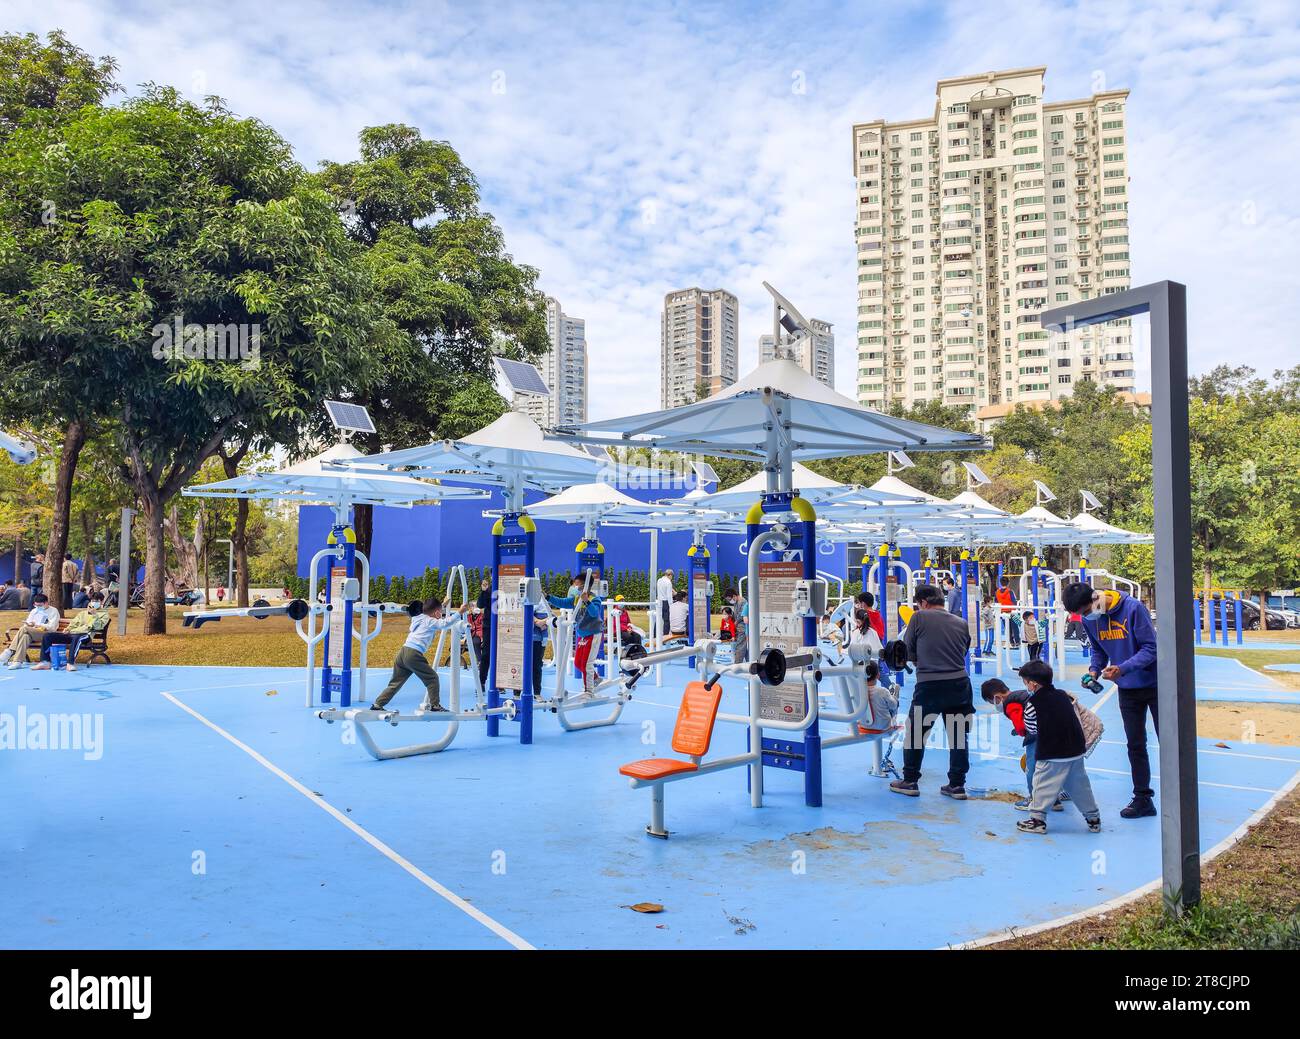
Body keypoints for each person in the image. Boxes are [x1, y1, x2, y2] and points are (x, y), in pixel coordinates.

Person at [1063, 580, 1159, 819]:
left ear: (1096, 598)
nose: (1086, 617)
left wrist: (1123, 668)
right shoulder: (1089, 620)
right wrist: (1094, 670)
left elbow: (1151, 648)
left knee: (1170, 742)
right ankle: (1143, 798)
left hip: (1157, 685)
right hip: (1127, 689)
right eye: (1081, 615)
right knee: (1135, 745)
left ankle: (1179, 795)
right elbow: (1099, 650)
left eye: (1086, 611)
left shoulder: (1133, 609)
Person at [890, 584, 974, 799]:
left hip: (930, 685)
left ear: (923, 603)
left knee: (917, 734)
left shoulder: (918, 618)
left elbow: (908, 651)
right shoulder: (962, 622)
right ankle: (957, 785)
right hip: (960, 685)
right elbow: (963, 650)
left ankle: (910, 781)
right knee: (958, 736)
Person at [1004, 660, 1101, 835]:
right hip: (1075, 750)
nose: (1025, 686)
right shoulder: (1064, 695)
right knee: (1080, 786)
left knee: (1041, 785)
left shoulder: (1032, 705)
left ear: (1032, 684)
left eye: (1025, 682)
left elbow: (1032, 729)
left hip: (1052, 752)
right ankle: (1093, 818)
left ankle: (1037, 820)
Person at [370, 595, 470, 712]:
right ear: (436, 612)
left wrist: (442, 605)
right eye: (440, 612)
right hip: (414, 654)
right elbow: (444, 624)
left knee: (395, 683)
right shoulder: (430, 621)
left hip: (403, 653)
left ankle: (377, 704)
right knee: (432, 678)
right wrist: (460, 612)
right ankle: (435, 705)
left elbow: (432, 612)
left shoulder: (419, 617)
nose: (441, 614)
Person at [982, 676, 1064, 813]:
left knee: (1032, 768)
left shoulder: (1010, 704)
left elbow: (1021, 726)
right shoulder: (1022, 694)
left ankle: (1035, 799)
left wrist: (1020, 731)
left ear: (997, 698)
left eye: (992, 702)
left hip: (1038, 736)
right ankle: (1058, 796)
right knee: (1056, 765)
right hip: (1056, 729)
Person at [548, 585, 605, 694]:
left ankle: (588, 691)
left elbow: (594, 613)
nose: (576, 588)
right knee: (578, 663)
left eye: (579, 586)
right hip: (583, 635)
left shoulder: (595, 599)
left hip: (593, 633)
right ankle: (595, 678)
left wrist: (587, 601)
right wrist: (548, 597)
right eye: (576, 585)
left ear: (586, 587)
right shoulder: (575, 599)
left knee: (586, 664)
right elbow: (561, 602)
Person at [32, 592, 110, 671]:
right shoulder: (83, 613)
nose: (94, 602)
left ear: (102, 601)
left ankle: (70, 663)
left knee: (77, 638)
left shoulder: (104, 615)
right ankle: (45, 662)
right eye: (93, 600)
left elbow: (98, 626)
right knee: (47, 636)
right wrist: (68, 629)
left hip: (86, 635)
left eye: (97, 601)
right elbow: (74, 623)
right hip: (72, 633)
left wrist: (95, 615)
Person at [1, 592, 61, 669]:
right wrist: (29, 624)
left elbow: (52, 627)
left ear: (46, 603)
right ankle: (17, 661)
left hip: (47, 634)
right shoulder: (34, 611)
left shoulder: (53, 611)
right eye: (36, 605)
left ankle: (10, 651)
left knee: (24, 629)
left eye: (40, 605)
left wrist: (38, 625)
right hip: (32, 632)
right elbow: (28, 623)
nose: (38, 607)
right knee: (25, 636)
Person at [530, 594, 551, 697]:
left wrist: (544, 622)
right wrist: (536, 621)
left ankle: (537, 693)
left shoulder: (543, 599)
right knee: (523, 665)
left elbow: (551, 615)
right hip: (529, 638)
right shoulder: (526, 596)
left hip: (540, 639)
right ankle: (517, 693)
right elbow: (525, 611)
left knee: (537, 666)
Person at [474, 576, 492, 688]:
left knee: (502, 654)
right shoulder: (488, 589)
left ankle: (501, 684)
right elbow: (480, 604)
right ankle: (482, 682)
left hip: (504, 625)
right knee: (486, 654)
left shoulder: (506, 587)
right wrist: (484, 591)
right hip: (489, 625)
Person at [725, 586, 748, 663]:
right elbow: (736, 616)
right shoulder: (737, 602)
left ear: (734, 596)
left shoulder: (742, 602)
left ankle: (737, 665)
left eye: (729, 599)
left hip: (743, 628)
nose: (729, 601)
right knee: (744, 647)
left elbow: (741, 615)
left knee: (740, 647)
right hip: (739, 628)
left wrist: (735, 623)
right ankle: (750, 662)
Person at [995, 577, 1019, 647]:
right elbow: (1014, 601)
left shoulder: (997, 592)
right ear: (1008, 583)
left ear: (1000, 583)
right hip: (1012, 612)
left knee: (1007, 628)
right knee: (1015, 627)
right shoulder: (1010, 592)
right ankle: (1017, 641)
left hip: (1003, 612)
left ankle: (1011, 642)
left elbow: (996, 602)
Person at [656, 568, 674, 638]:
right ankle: (665, 637)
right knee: (667, 621)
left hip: (659, 602)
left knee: (658, 619)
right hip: (666, 602)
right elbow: (669, 596)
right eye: (672, 576)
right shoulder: (668, 582)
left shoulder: (659, 580)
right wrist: (671, 606)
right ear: (670, 575)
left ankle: (655, 636)